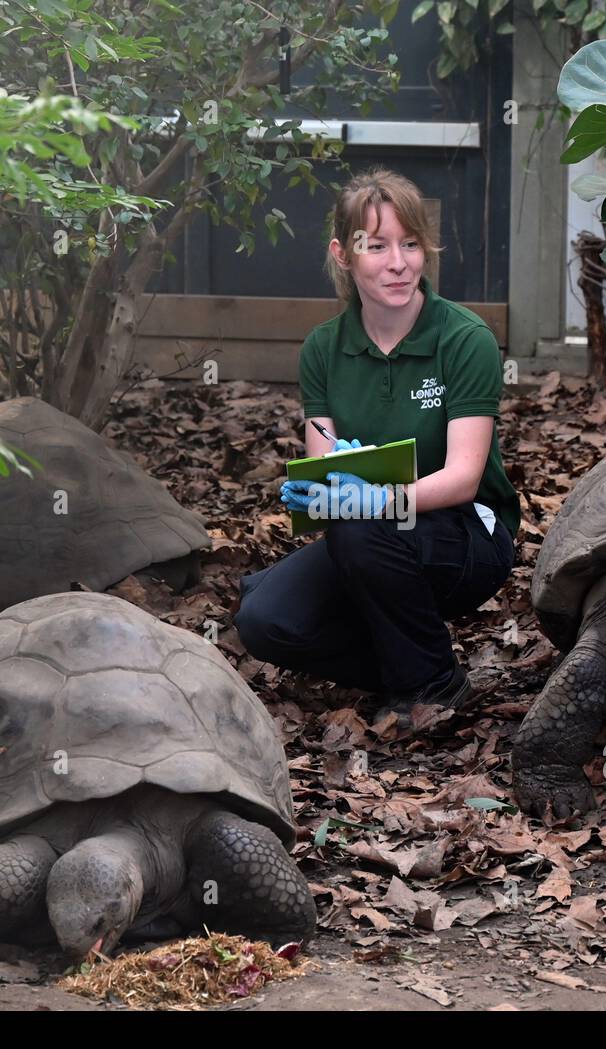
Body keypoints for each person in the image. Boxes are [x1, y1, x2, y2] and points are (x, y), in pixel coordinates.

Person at [233, 168, 520, 722]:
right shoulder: (322, 349)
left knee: (361, 526)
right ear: (343, 254)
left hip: (467, 535)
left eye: (410, 244)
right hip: (369, 537)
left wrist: (374, 501)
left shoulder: (465, 340)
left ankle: (436, 687)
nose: (399, 262)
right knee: (265, 619)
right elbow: (326, 477)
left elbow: (463, 477)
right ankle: (409, 668)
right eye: (377, 246)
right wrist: (318, 492)